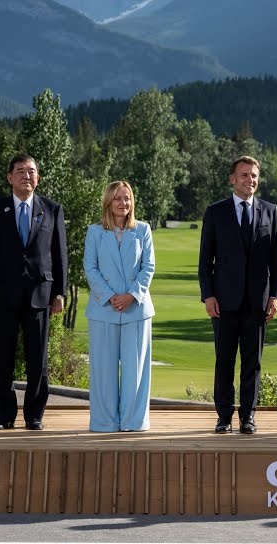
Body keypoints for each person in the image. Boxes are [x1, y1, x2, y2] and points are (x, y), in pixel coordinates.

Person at [0, 154, 67, 431]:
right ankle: (4, 416)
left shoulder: (52, 209)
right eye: (20, 171)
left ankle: (34, 416)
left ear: (38, 177)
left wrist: (60, 293)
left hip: (40, 295)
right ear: (9, 177)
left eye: (32, 172)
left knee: (38, 360)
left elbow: (60, 255)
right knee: (3, 357)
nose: (26, 176)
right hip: (3, 296)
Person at [198, 155, 277, 434]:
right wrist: (208, 295)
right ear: (232, 179)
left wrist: (276, 296)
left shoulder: (270, 211)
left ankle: (248, 416)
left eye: (254, 175)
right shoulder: (215, 212)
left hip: (258, 302)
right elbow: (204, 261)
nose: (250, 180)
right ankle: (223, 416)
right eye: (244, 175)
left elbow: (276, 261)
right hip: (223, 301)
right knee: (224, 361)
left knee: (253, 363)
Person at [83, 180, 156, 432]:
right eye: (117, 198)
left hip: (136, 309)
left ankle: (134, 422)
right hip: (104, 309)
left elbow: (149, 267)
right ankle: (104, 422)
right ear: (108, 202)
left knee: (136, 370)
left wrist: (131, 296)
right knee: (103, 371)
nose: (123, 203)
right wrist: (111, 296)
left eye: (127, 198)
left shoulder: (143, 230)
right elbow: (90, 267)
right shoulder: (94, 232)